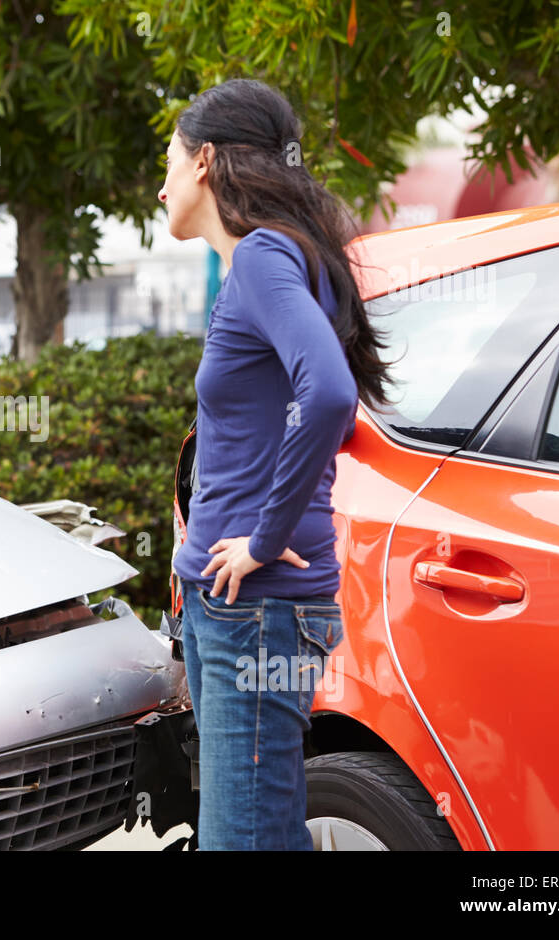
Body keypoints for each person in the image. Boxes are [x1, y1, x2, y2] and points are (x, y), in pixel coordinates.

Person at [157, 79, 394, 850]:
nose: (159, 185)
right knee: (265, 828)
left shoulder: (262, 257)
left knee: (244, 838)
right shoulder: (290, 259)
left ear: (205, 162)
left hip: (253, 603)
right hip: (243, 601)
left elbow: (325, 394)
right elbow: (320, 407)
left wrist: (265, 533)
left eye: (166, 161)